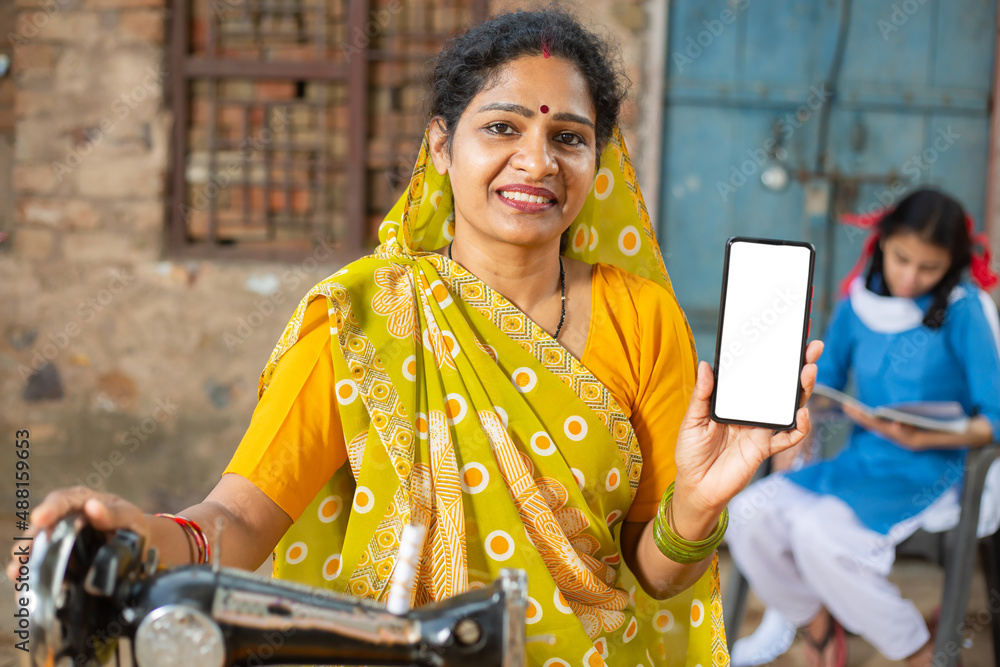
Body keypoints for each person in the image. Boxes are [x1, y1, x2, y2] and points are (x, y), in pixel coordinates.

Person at [10, 9, 823, 665]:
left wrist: (699, 502)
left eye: (569, 137)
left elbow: (654, 573)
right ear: (441, 147)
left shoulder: (643, 317)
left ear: (599, 163)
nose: (536, 160)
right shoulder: (363, 316)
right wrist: (143, 534)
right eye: (502, 127)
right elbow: (242, 516)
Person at [726, 188, 1000, 667]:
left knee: (818, 536)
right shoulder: (856, 306)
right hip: (862, 461)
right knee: (748, 513)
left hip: (932, 471)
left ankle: (915, 648)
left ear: (951, 265)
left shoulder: (964, 309)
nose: (910, 277)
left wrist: (929, 436)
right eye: (901, 259)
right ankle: (818, 627)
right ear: (882, 243)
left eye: (929, 268)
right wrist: (804, 424)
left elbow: (993, 419)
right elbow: (825, 381)